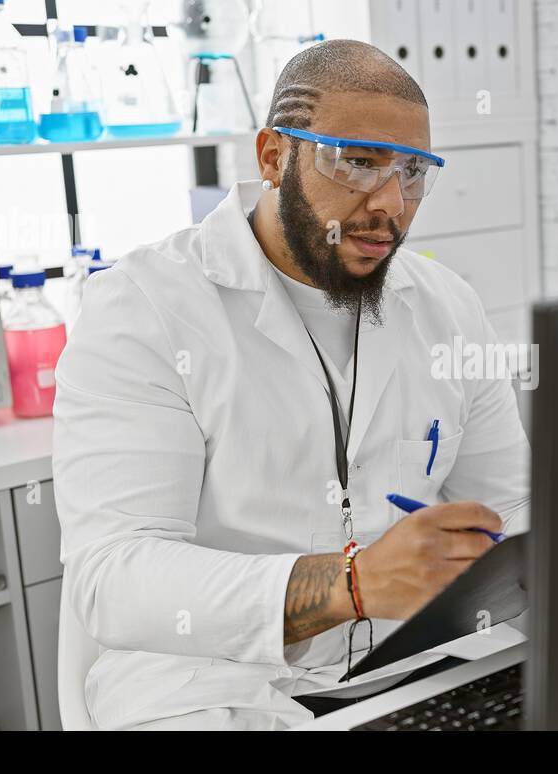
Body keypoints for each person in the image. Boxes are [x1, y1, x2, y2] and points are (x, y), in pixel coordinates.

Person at [52, 40, 530, 730]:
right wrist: (351, 586)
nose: (391, 203)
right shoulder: (143, 308)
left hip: (410, 669)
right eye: (359, 162)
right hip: (209, 686)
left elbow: (511, 511)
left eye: (415, 172)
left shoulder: (448, 306)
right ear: (273, 155)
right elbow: (115, 578)